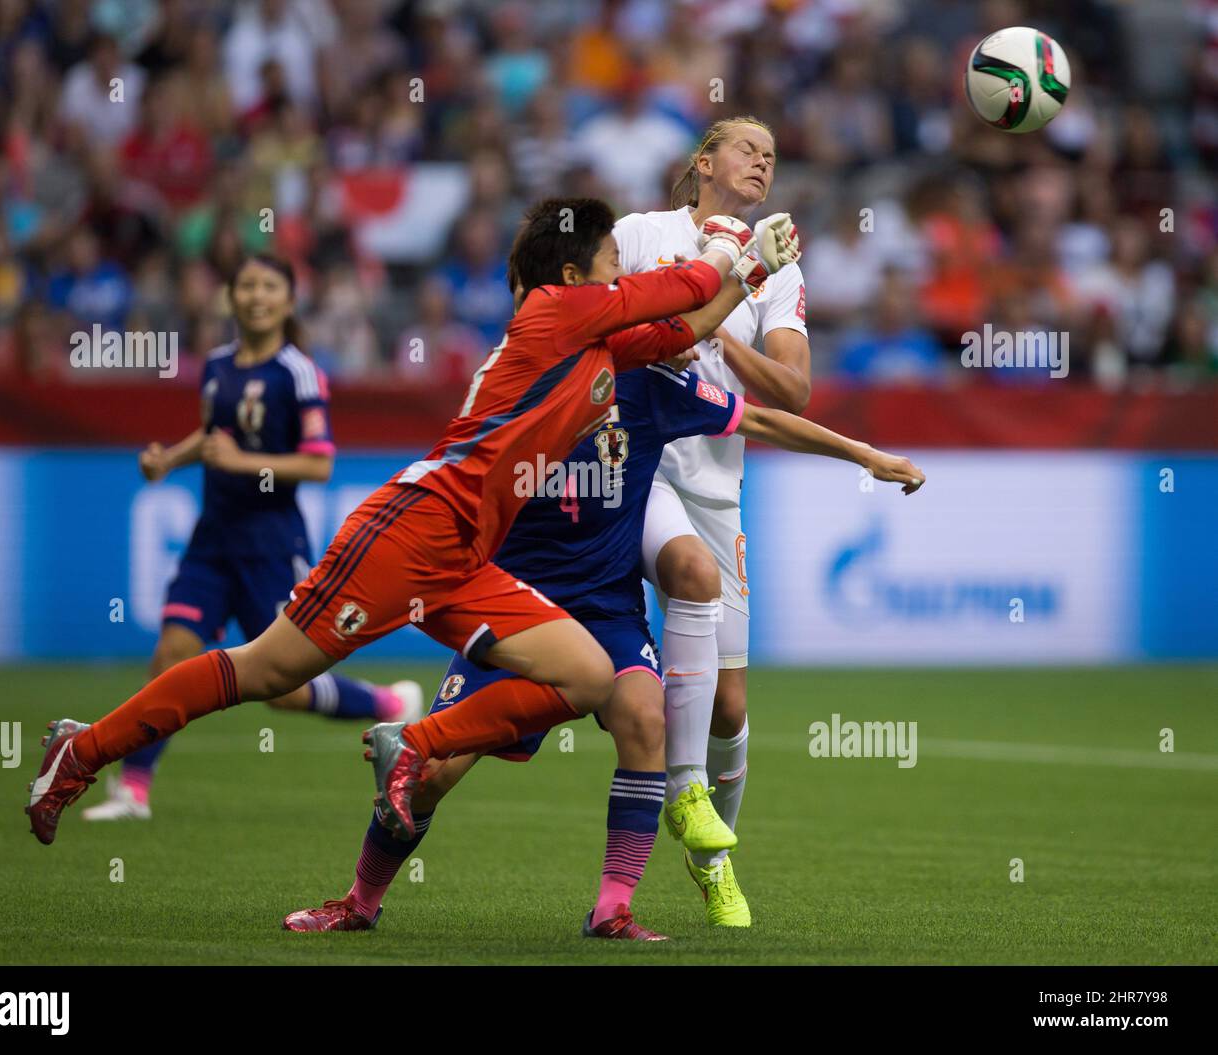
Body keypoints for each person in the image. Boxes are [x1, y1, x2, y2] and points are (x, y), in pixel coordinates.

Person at [24, 198, 771, 849]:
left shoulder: (593, 337)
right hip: (413, 528)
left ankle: (411, 743)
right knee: (267, 670)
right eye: (611, 259)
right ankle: (83, 749)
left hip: (467, 554)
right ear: (574, 277)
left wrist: (752, 273)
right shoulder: (553, 311)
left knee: (584, 675)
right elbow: (687, 284)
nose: (620, 272)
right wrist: (722, 245)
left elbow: (684, 324)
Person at [280, 274, 923, 938]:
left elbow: (760, 417)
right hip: (515, 608)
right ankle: (358, 900)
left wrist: (865, 454)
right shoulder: (519, 384)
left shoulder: (656, 390)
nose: (685, 341)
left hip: (606, 612)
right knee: (435, 775)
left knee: (646, 717)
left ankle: (614, 907)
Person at [78, 252, 422, 822]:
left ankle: (384, 702)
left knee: (282, 689)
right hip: (211, 541)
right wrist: (171, 459)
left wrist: (244, 461)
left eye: (269, 286)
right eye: (246, 286)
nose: (256, 296)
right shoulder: (216, 366)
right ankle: (133, 788)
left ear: (288, 301)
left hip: (270, 544)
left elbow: (318, 465)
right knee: (171, 654)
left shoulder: (299, 372)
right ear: (232, 297)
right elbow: (216, 435)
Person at [611, 116, 810, 926]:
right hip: (635, 461)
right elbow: (597, 322)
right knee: (682, 576)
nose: (762, 160)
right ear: (703, 162)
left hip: (714, 481)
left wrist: (721, 324)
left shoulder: (779, 265)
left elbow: (793, 392)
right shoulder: (640, 233)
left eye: (772, 153)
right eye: (747, 148)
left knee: (730, 708)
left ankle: (709, 856)